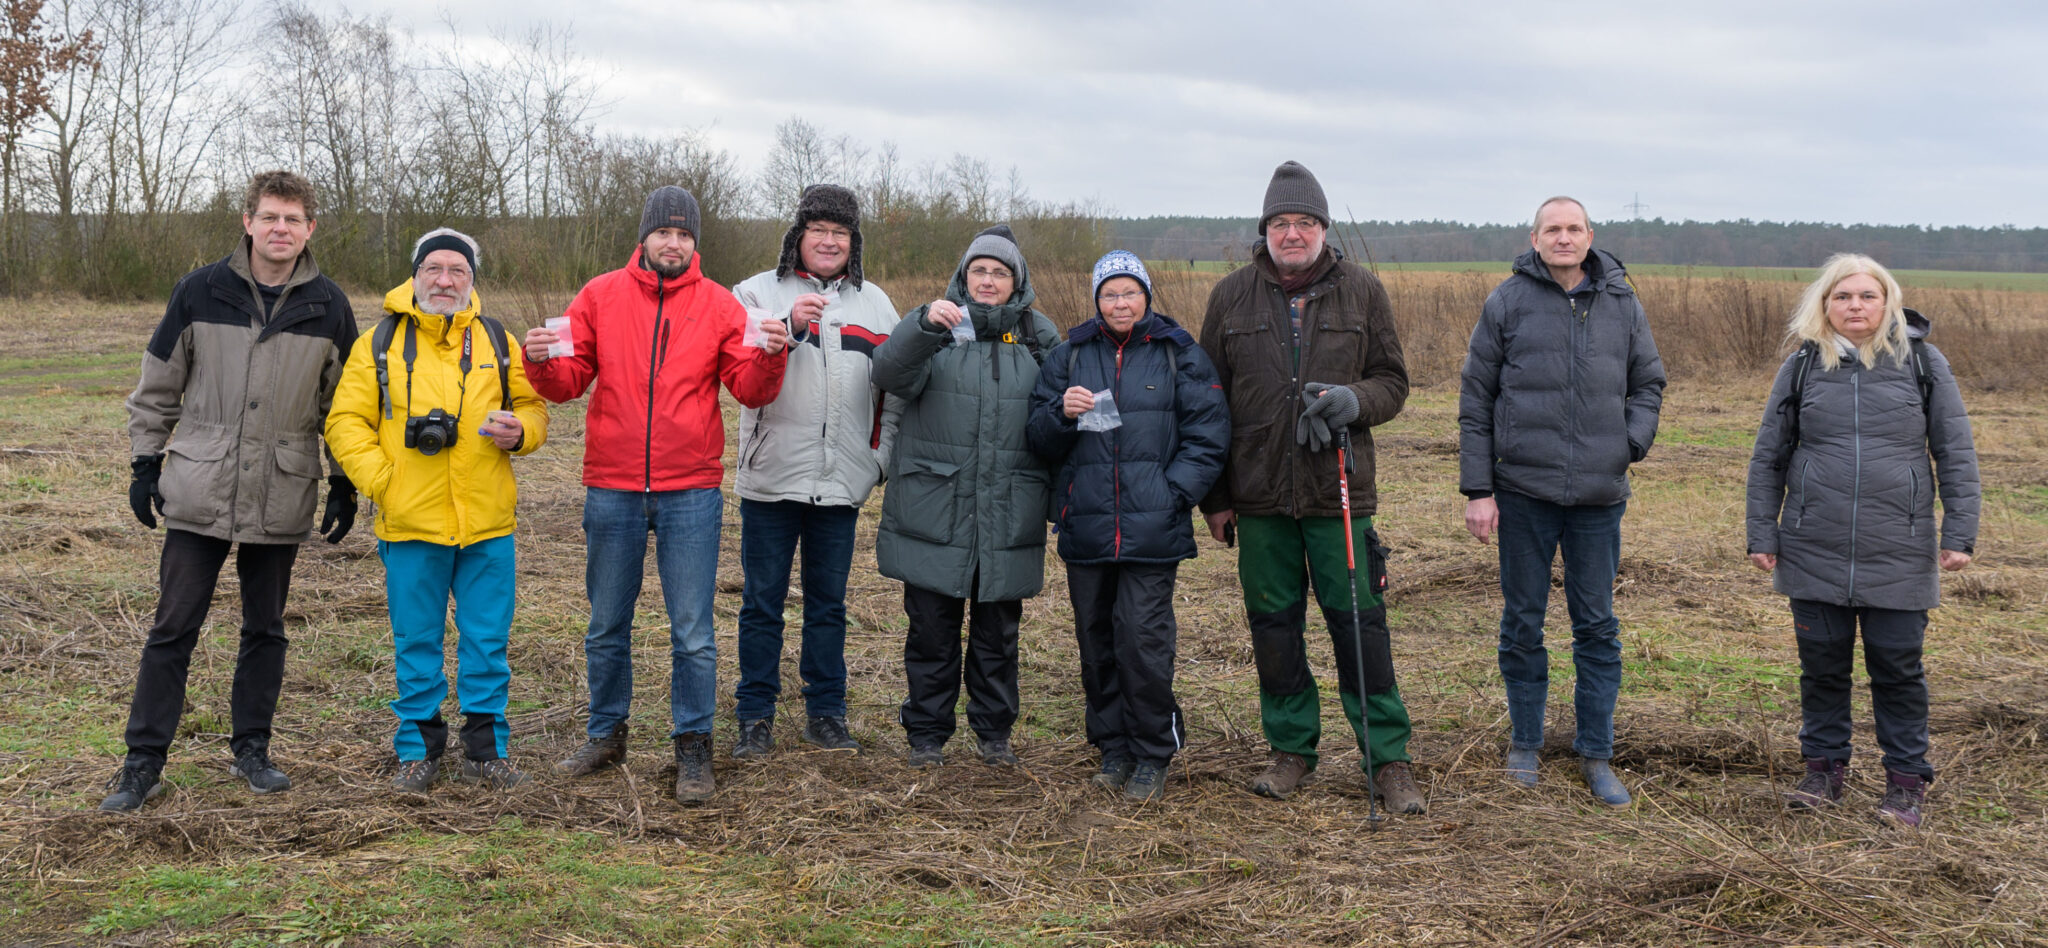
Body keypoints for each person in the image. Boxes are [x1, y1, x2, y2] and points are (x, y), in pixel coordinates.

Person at [522, 186, 790, 805]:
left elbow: (749, 389)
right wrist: (541, 362)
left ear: (695, 242)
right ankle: (605, 734)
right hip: (612, 486)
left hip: (690, 489)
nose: (673, 243)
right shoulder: (599, 295)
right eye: (663, 232)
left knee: (692, 630)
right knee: (605, 624)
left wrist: (771, 356)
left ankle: (693, 744)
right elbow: (567, 384)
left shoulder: (721, 305)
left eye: (684, 234)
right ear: (644, 237)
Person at [103, 170, 358, 812]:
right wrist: (144, 462)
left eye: (293, 219)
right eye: (269, 216)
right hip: (200, 486)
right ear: (248, 222)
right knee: (173, 627)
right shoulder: (199, 290)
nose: (280, 229)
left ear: (310, 229)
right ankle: (142, 763)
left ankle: (252, 751)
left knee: (265, 629)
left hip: (281, 488)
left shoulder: (329, 305)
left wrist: (344, 479)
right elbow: (158, 385)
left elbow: (346, 407)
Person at [1196, 161, 1426, 814]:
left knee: (1360, 626)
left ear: (1323, 228)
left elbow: (1393, 382)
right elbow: (1207, 401)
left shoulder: (1363, 292)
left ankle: (1388, 759)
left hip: (1338, 493)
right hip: (1258, 496)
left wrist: (1356, 400)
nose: (1291, 233)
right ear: (1264, 230)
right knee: (1274, 628)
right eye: (1280, 222)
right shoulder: (1230, 296)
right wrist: (1216, 498)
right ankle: (1291, 749)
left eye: (1304, 222)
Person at [1745, 253, 1979, 828]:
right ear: (1825, 304)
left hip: (1899, 547)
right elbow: (1769, 455)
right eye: (1843, 296)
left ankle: (1905, 784)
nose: (1855, 306)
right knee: (1822, 669)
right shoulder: (1803, 365)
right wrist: (1761, 530)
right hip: (1813, 545)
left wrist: (1960, 532)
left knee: (1898, 670)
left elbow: (1955, 450)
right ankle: (1823, 773)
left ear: (1888, 302)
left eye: (1867, 296)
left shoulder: (1923, 363)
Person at [1458, 196, 1666, 807]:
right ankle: (1525, 742)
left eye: (1574, 228)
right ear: (1535, 239)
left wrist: (1628, 444)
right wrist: (1479, 489)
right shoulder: (1507, 302)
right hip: (1524, 491)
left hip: (1599, 496)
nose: (1564, 237)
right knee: (1523, 621)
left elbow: (1648, 382)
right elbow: (1476, 397)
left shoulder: (1622, 302)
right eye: (1553, 229)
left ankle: (1596, 753)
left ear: (1590, 236)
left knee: (1596, 626)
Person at [325, 228, 549, 793]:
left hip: (487, 524)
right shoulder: (378, 342)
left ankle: (485, 752)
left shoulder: (497, 340)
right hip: (410, 523)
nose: (445, 281)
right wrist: (385, 483)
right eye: (434, 269)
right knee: (417, 642)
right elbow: (345, 422)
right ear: (416, 274)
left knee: (487, 643)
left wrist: (522, 432)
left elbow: (533, 406)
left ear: (472, 280)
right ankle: (417, 751)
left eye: (458, 271)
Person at [1027, 250, 1228, 801]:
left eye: (1130, 292)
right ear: (1097, 300)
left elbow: (1209, 433)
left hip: (1152, 530)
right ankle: (1113, 748)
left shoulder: (1178, 353)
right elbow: (1037, 437)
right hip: (1087, 526)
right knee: (1096, 643)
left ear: (1146, 297)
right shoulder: (1069, 355)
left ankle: (1152, 753)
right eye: (1109, 294)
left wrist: (1172, 494)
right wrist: (1061, 414)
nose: (1120, 303)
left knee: (1143, 642)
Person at [872, 224, 1060, 769]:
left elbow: (1060, 414)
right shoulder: (934, 323)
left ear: (1017, 282)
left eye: (1000, 272)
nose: (988, 280)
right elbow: (888, 373)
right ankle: (927, 735)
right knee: (931, 630)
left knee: (998, 634)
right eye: (979, 270)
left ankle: (994, 734)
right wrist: (922, 326)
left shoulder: (1038, 335)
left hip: (1008, 508)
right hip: (936, 507)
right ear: (963, 275)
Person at [728, 185, 900, 758]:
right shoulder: (754, 293)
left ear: (854, 241)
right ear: (797, 236)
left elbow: (895, 392)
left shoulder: (876, 304)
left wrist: (878, 459)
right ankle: (754, 715)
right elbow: (738, 373)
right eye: (818, 230)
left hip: (842, 481)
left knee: (828, 606)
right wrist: (788, 327)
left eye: (840, 232)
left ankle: (826, 713)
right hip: (772, 477)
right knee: (762, 604)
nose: (829, 241)